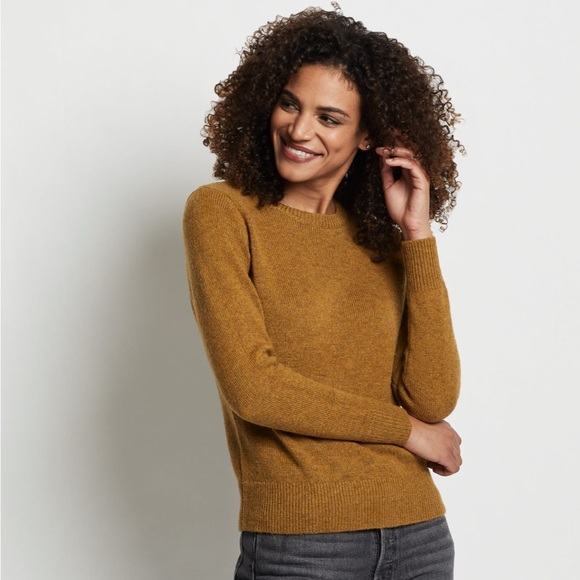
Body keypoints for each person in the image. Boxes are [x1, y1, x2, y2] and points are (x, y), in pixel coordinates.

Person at [183, 6, 464, 579]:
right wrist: (410, 433)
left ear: (367, 136)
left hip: (419, 535)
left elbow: (432, 400)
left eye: (329, 117)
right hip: (303, 545)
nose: (299, 129)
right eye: (290, 104)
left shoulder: (379, 240)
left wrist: (416, 235)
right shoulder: (223, 213)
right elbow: (255, 388)